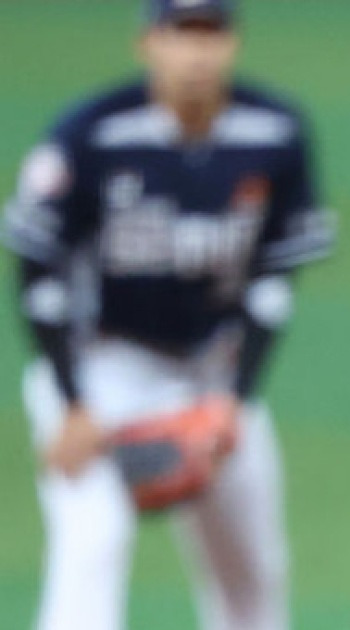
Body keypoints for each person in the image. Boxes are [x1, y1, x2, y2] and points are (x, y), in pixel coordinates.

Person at [2, 0, 333, 628]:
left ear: (232, 43)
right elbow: (39, 274)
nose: (197, 51)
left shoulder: (274, 132)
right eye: (182, 32)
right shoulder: (92, 134)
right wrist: (72, 403)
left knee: (254, 573)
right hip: (101, 373)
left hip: (212, 374)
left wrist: (233, 401)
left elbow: (271, 282)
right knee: (93, 547)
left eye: (211, 32)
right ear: (148, 43)